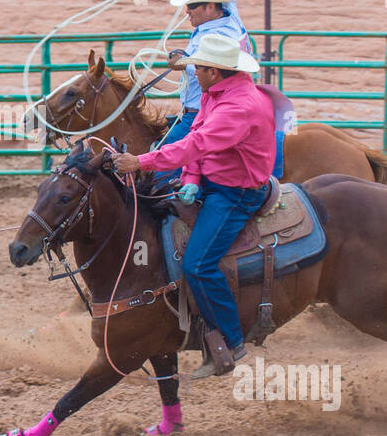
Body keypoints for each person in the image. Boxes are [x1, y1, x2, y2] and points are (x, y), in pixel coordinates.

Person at [113, 34, 276, 364]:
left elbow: (196, 144)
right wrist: (190, 178)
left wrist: (141, 161)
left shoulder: (238, 107)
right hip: (214, 181)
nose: (192, 74)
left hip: (235, 193)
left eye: (196, 68)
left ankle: (231, 339)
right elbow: (198, 140)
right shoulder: (216, 94)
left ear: (213, 72)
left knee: (198, 264)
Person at [159, 0, 251, 151]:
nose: (187, 11)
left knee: (168, 152)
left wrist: (184, 63)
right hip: (215, 106)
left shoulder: (218, 35)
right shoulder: (228, 12)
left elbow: (215, 69)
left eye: (192, 6)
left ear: (210, 6)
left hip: (204, 111)